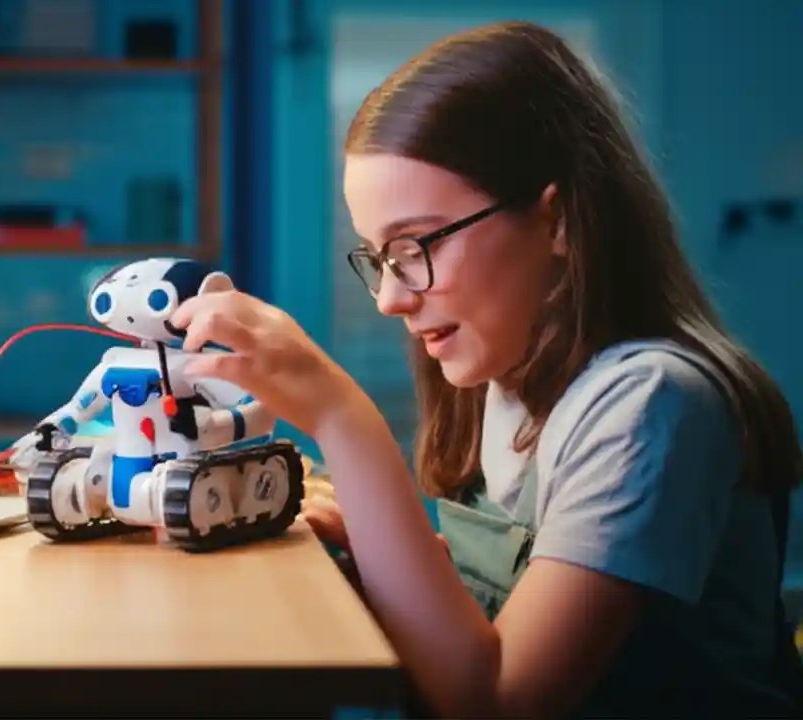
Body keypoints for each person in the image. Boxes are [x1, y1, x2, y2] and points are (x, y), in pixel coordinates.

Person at [170, 20, 803, 719]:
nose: (390, 297)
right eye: (378, 256)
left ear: (556, 221)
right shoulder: (507, 381)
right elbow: (501, 609)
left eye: (416, 245)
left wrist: (341, 417)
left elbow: (497, 702)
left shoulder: (652, 402)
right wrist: (387, 549)